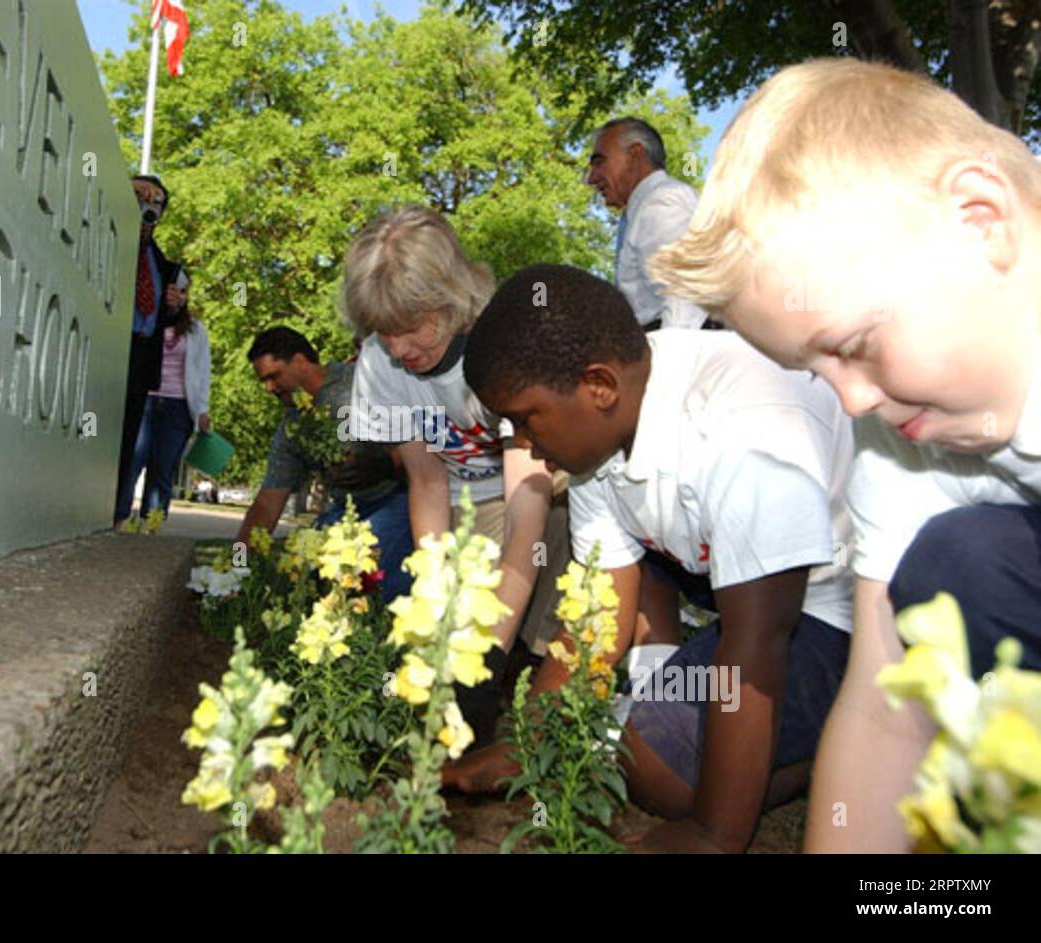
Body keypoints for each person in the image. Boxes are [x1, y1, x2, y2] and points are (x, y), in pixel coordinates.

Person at [649, 58, 1041, 852]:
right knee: (956, 564)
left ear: (982, 220)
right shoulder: (902, 436)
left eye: (856, 346)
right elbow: (881, 698)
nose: (851, 400)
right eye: (816, 372)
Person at [448, 263, 855, 854]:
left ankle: (843, 738)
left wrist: (712, 833)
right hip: (733, 583)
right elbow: (600, 609)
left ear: (598, 386)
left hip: (838, 607)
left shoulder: (743, 435)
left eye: (524, 419)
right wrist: (532, 741)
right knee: (641, 743)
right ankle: (763, 734)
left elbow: (758, 642)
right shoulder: (600, 434)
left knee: (658, 773)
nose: (525, 445)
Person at [342, 206, 570, 747]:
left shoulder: (508, 346)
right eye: (383, 331)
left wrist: (485, 661)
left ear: (450, 297)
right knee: (443, 630)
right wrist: (438, 603)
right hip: (463, 499)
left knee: (538, 586)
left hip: (542, 490)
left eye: (410, 328)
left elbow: (526, 510)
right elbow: (426, 481)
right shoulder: (381, 363)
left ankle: (543, 682)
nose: (398, 349)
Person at [235, 326, 413, 599]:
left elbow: (431, 436)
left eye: (273, 376)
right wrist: (236, 565)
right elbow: (267, 501)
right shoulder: (292, 427)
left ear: (300, 361)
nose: (268, 388)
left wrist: (386, 463)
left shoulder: (362, 381)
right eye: (263, 381)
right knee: (304, 564)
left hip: (399, 499)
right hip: (344, 510)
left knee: (370, 567)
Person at [114, 174, 211, 528]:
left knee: (159, 469)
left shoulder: (161, 265)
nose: (148, 207)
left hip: (146, 373)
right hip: (113, 361)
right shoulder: (108, 246)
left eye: (156, 202)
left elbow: (199, 368)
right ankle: (117, 518)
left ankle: (150, 527)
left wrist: (171, 307)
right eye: (139, 197)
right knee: (127, 458)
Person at [586, 117, 711, 331]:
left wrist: (671, 362)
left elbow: (685, 295)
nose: (591, 178)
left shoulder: (661, 203)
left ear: (635, 155)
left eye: (600, 162)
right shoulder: (641, 210)